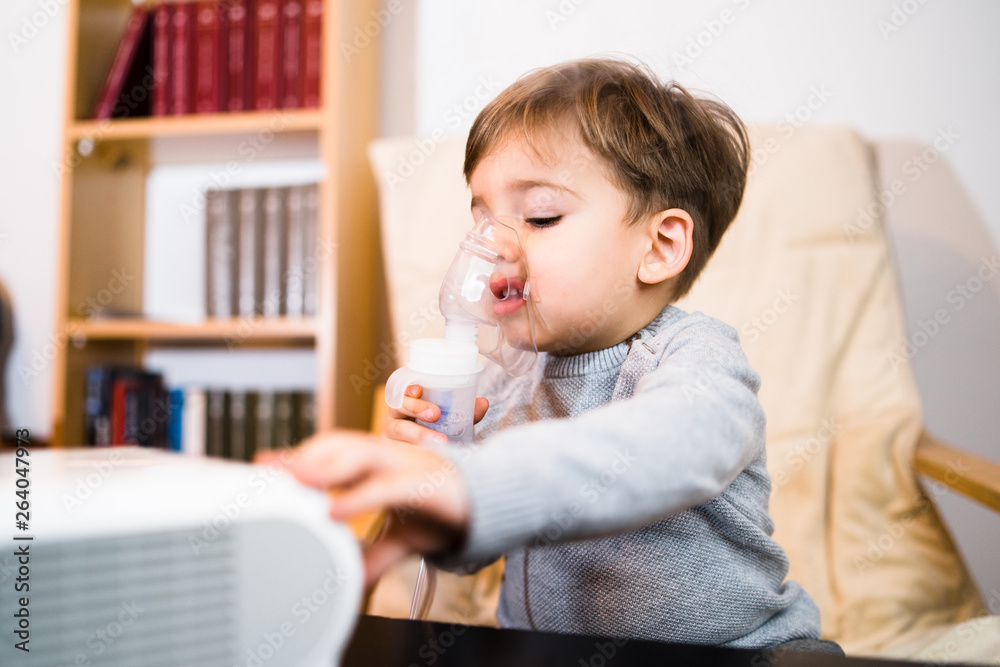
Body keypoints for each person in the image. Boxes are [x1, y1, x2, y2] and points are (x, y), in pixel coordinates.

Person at [280, 58, 831, 649]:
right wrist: (438, 497)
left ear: (661, 245)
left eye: (540, 216)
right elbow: (482, 546)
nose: (492, 249)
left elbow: (669, 448)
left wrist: (471, 484)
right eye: (482, 219)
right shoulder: (506, 380)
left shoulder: (695, 357)